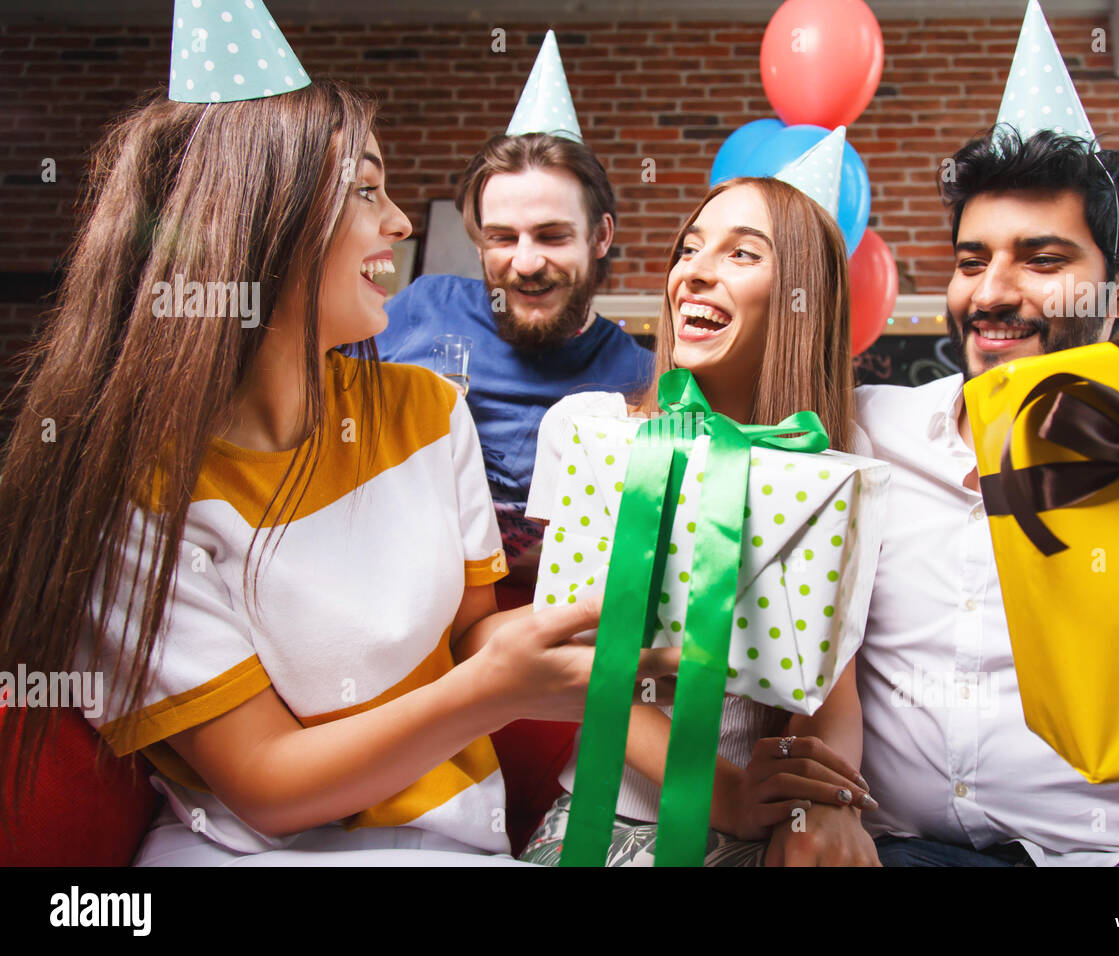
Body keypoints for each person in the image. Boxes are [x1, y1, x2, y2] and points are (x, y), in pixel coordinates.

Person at [0, 76, 676, 866]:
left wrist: (610, 621)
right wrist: (497, 688)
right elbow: (269, 788)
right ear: (256, 224)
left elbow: (472, 631)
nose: (397, 221)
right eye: (364, 191)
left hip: (452, 843)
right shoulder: (136, 492)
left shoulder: (429, 410)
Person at [823, 126, 1119, 867]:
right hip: (897, 852)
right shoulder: (868, 428)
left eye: (1042, 260)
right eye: (971, 261)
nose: (990, 294)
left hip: (1118, 863)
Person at [517, 176, 881, 867]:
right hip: (608, 818)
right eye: (689, 249)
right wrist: (727, 797)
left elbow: (834, 682)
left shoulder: (836, 462)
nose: (695, 273)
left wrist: (819, 808)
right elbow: (573, 661)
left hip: (759, 830)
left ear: (801, 298)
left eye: (742, 254)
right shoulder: (591, 432)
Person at [376, 34, 654, 574]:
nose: (525, 263)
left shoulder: (642, 380)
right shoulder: (419, 310)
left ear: (600, 238)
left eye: (551, 235)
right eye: (502, 237)